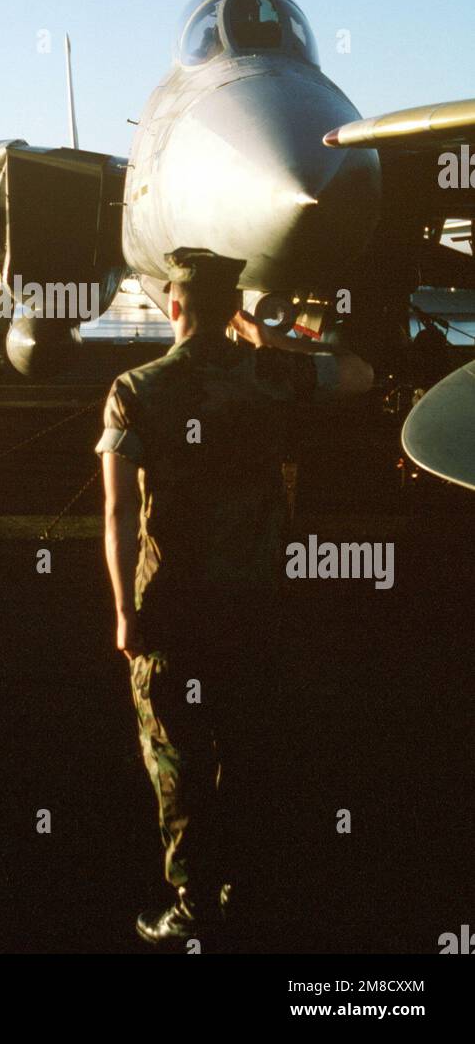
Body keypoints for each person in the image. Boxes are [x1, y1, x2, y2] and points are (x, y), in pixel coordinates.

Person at [96, 249, 374, 947]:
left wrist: (125, 612)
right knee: (250, 741)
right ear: (233, 309)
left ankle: (193, 901)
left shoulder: (135, 385)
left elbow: (119, 514)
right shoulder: (273, 374)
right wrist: (266, 339)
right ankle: (243, 882)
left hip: (171, 604)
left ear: (174, 305)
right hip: (255, 598)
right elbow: (360, 375)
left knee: (176, 751)